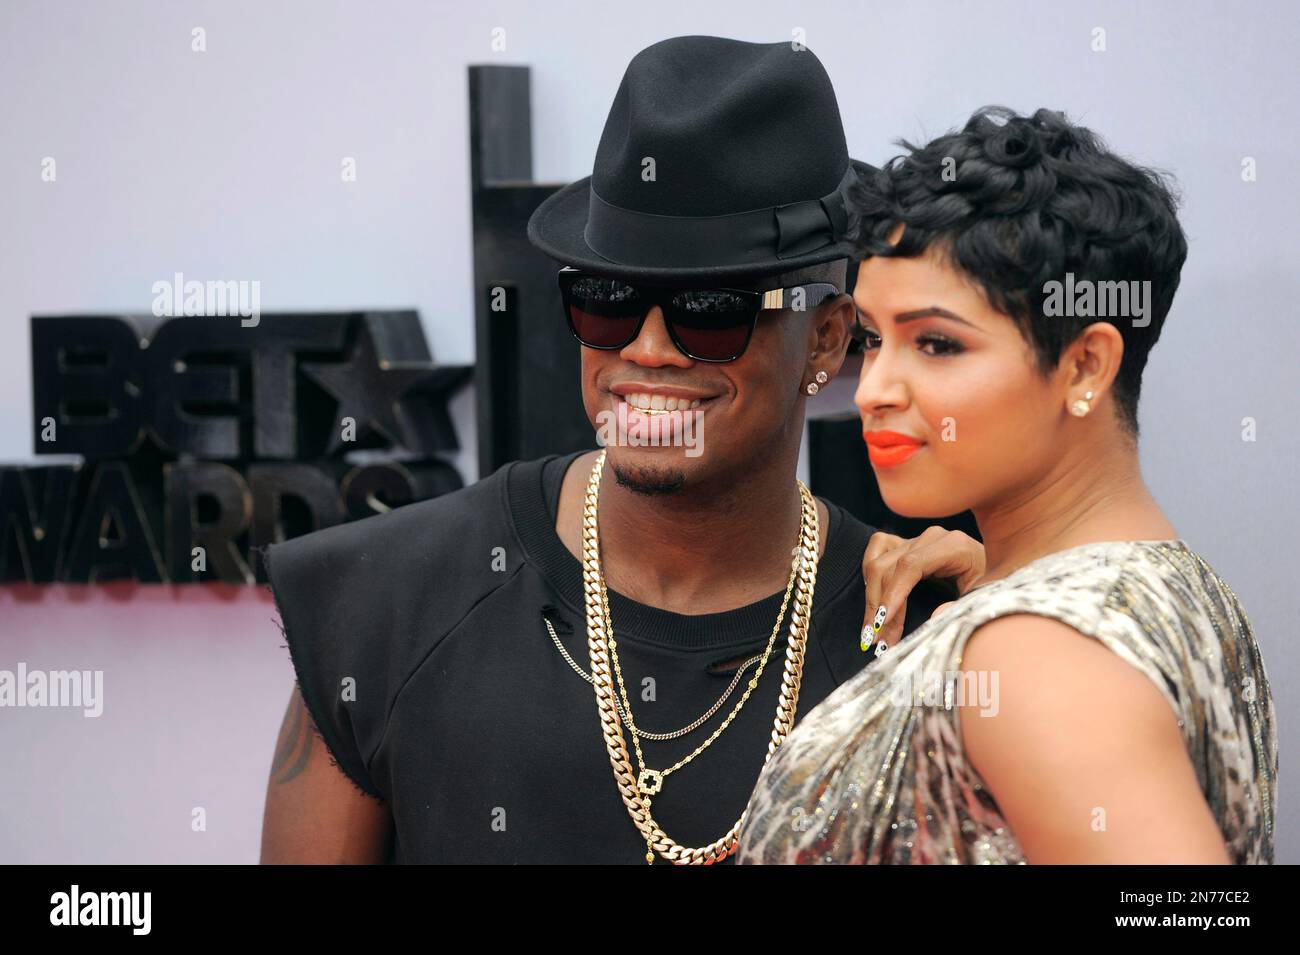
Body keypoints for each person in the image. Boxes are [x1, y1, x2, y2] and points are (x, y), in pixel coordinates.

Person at [258, 35, 981, 864]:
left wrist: (1010, 621)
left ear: (823, 339)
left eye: (708, 307)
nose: (647, 348)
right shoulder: (388, 601)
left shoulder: (918, 635)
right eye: (605, 300)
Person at [736, 106, 1278, 864]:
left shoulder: (1036, 653)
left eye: (936, 343)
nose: (873, 389)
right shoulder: (1178, 589)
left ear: (1086, 365)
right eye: (872, 340)